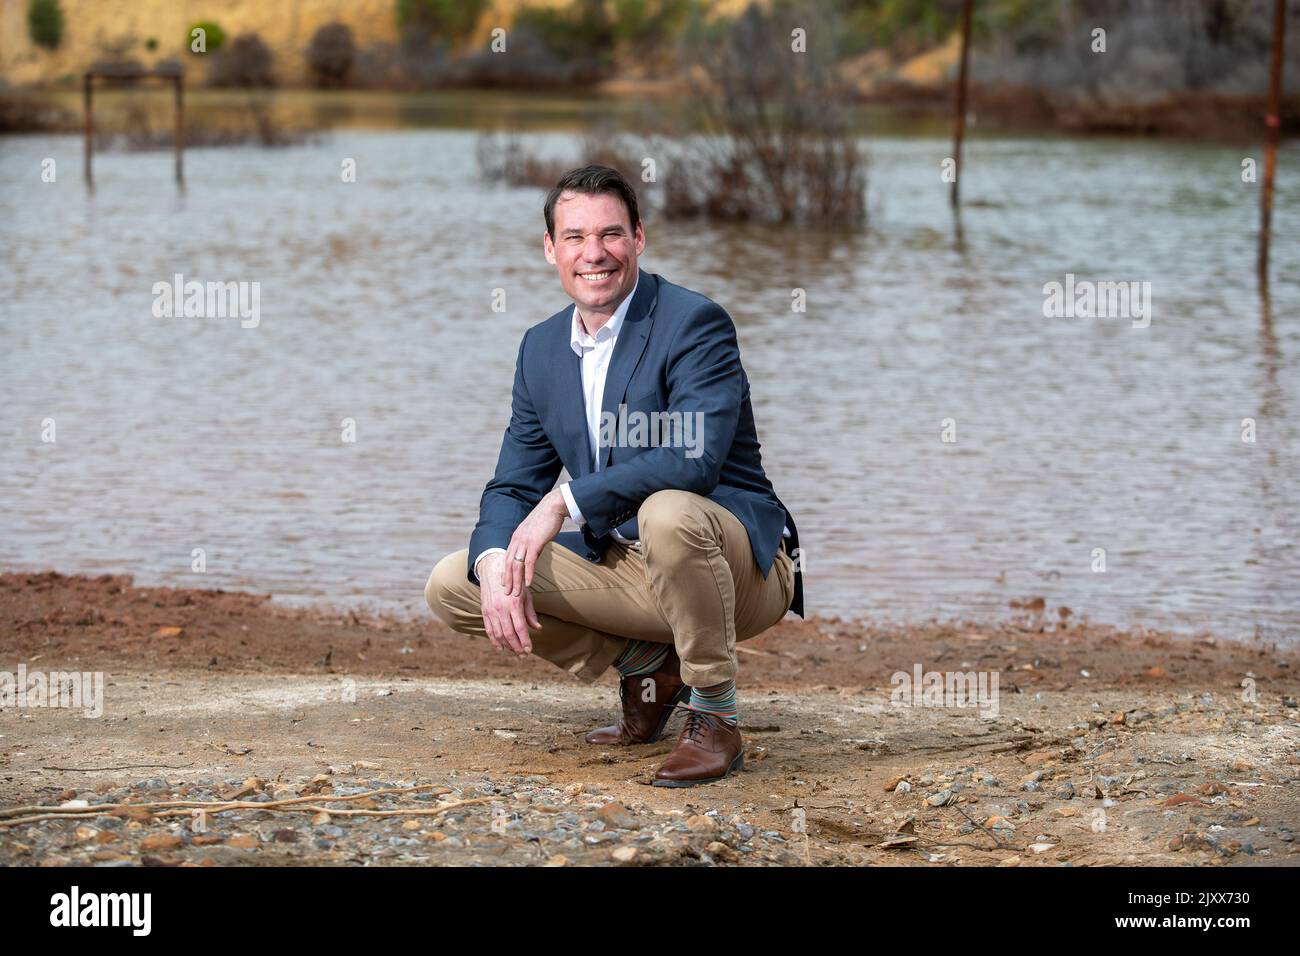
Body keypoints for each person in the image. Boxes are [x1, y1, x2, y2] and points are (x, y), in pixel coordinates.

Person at [424, 164, 803, 786]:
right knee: (458, 580)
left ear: (639, 238)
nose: (593, 253)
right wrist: (496, 558)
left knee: (669, 511)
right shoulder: (540, 348)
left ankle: (715, 715)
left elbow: (693, 457)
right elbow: (514, 484)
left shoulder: (694, 323)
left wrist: (562, 503)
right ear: (550, 248)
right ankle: (650, 667)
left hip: (739, 568)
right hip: (632, 567)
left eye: (611, 234)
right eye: (574, 237)